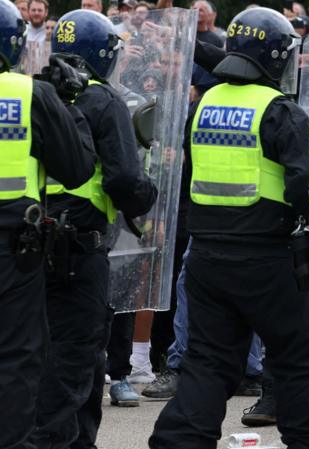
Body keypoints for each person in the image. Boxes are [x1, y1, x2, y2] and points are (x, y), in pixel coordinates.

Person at [148, 7, 309, 449]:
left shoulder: (204, 104)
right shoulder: (280, 111)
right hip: (269, 258)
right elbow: (304, 188)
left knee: (208, 363)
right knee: (303, 360)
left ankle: (179, 443)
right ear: (274, 58)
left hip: (207, 257)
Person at [29, 9, 158, 449]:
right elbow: (124, 179)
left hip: (29, 245)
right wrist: (148, 195)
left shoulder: (39, 92)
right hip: (79, 250)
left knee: (45, 354)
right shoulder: (104, 100)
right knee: (74, 358)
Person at [0, 1, 96, 447]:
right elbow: (76, 169)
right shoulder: (27, 94)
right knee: (16, 358)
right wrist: (68, 104)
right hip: (12, 250)